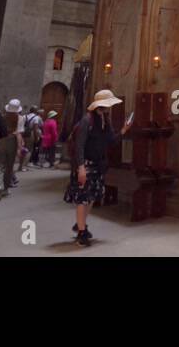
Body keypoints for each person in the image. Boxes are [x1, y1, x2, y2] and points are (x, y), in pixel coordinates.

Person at [65, 90, 132, 246]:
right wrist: (81, 167)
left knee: (92, 196)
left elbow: (111, 142)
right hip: (85, 164)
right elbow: (79, 146)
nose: (109, 107)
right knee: (82, 197)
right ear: (101, 105)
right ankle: (82, 232)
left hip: (98, 165)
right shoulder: (87, 121)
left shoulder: (104, 121)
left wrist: (124, 130)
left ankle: (80, 224)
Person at [18, 106, 43, 172]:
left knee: (22, 149)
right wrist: (37, 137)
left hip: (23, 133)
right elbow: (35, 128)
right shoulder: (36, 118)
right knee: (29, 150)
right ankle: (23, 167)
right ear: (35, 111)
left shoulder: (24, 116)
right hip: (30, 134)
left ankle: (20, 166)